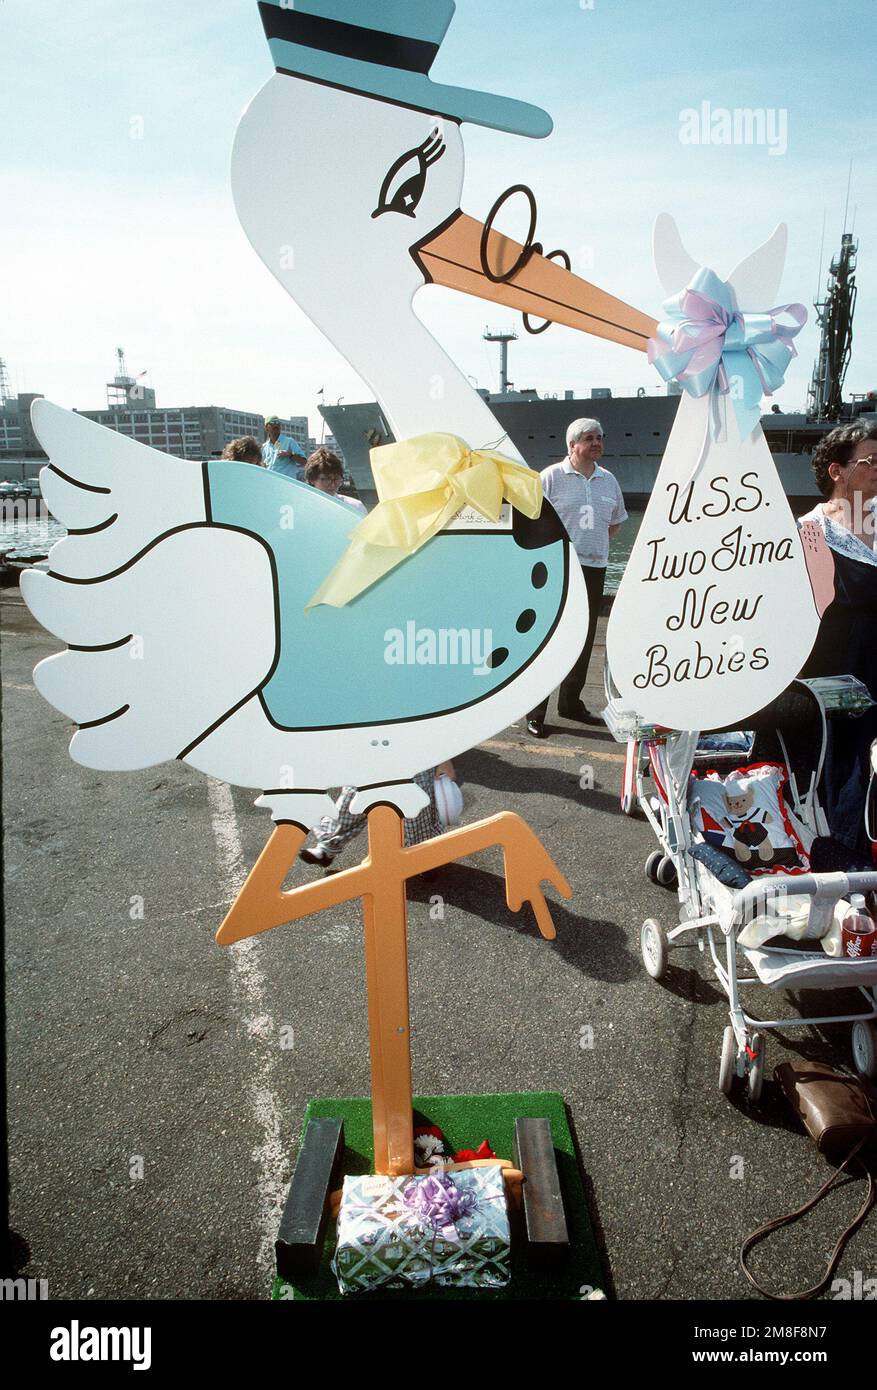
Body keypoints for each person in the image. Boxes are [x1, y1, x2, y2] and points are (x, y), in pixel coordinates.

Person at [799, 423, 877, 860]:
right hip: (839, 662)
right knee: (847, 761)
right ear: (837, 471)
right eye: (870, 462)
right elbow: (812, 605)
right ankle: (848, 855)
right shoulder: (811, 531)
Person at [527, 418, 626, 737]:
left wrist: (591, 544)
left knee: (583, 639)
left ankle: (570, 703)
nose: (597, 442)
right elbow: (530, 519)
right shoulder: (551, 477)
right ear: (572, 445)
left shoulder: (608, 480)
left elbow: (615, 523)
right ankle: (534, 710)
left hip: (595, 568)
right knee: (549, 639)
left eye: (600, 437)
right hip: (559, 568)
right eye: (589, 438)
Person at [299, 763, 457, 867]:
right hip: (371, 740)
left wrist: (444, 761)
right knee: (353, 798)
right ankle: (328, 846)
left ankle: (420, 857)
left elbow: (432, 717)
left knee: (416, 802)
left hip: (413, 743)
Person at [305, 446, 367, 514]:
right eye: (326, 479)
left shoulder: (355, 507)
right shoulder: (301, 508)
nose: (332, 484)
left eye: (336, 479)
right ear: (312, 479)